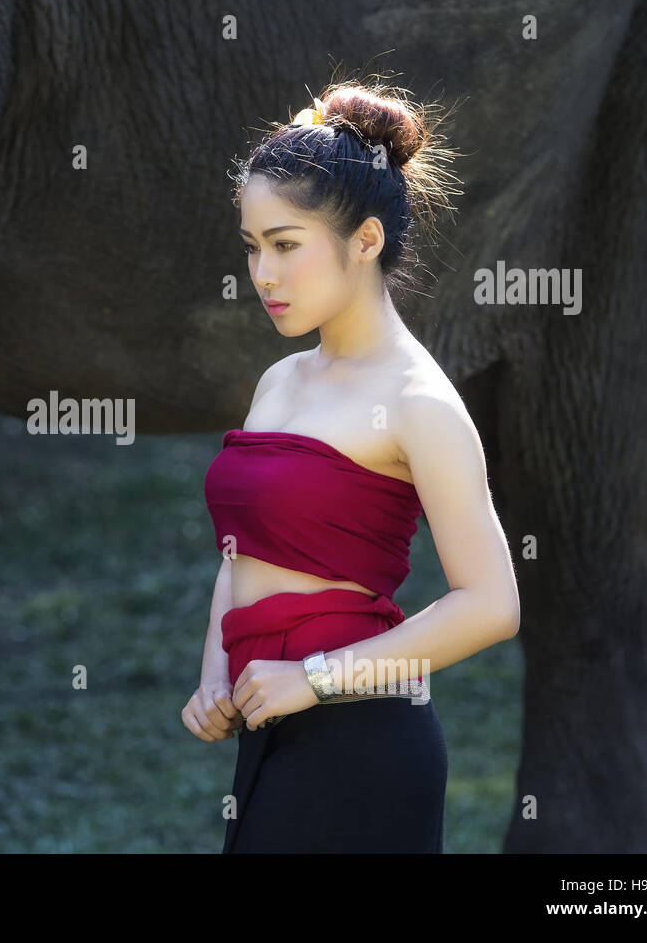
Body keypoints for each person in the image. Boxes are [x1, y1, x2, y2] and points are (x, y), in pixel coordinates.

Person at [185, 77, 521, 853]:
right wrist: (214, 675)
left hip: (361, 741)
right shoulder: (280, 381)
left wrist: (313, 678)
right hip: (267, 727)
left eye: (286, 245)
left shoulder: (418, 402)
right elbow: (241, 549)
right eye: (253, 246)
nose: (263, 275)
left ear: (364, 241)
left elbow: (493, 604)